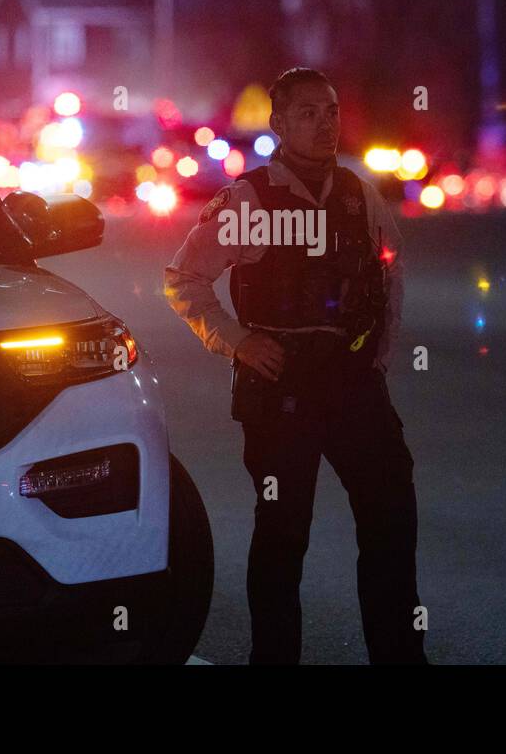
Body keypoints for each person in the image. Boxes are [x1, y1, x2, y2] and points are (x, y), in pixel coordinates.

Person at [164, 67, 427, 664]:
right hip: (282, 387)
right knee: (284, 535)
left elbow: (390, 274)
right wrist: (236, 341)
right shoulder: (248, 198)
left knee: (392, 516)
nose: (324, 123)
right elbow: (184, 278)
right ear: (279, 124)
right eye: (308, 113)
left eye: (331, 111)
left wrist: (376, 359)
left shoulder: (360, 194)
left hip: (354, 384)